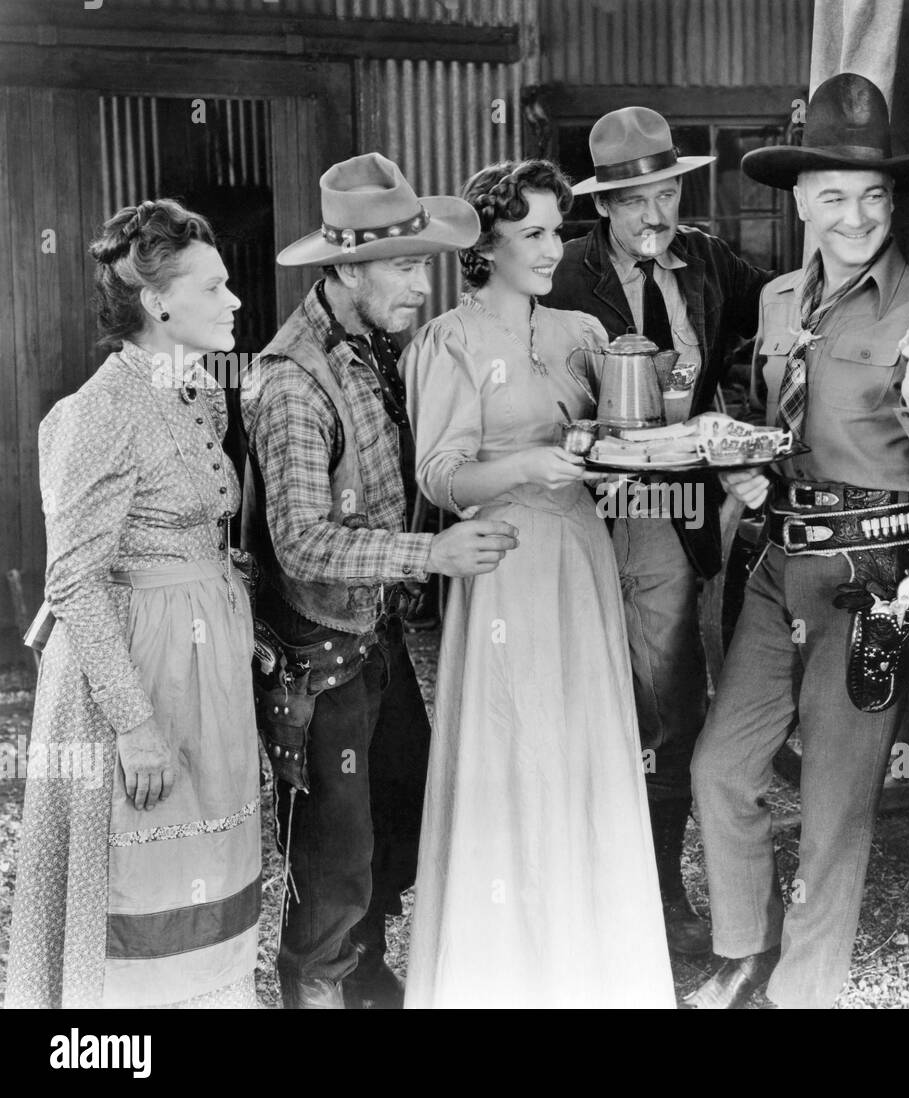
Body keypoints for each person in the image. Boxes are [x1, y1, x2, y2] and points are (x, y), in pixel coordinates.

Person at [687, 74, 909, 1009]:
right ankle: (745, 947)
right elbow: (776, 423)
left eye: (872, 196)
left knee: (832, 807)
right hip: (783, 561)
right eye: (833, 197)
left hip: (883, 575)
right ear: (802, 200)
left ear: (891, 200)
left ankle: (803, 993)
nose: (855, 216)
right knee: (718, 768)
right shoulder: (780, 301)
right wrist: (748, 469)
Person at [241, 153, 519, 1010]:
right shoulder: (294, 382)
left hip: (375, 639)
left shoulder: (373, 347)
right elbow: (302, 545)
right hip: (318, 657)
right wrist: (430, 556)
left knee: (399, 822)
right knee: (332, 861)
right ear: (347, 268)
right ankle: (323, 985)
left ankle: (364, 972)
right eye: (404, 266)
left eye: (423, 264)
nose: (421, 287)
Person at [401, 159, 675, 1008]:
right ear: (484, 247)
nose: (556, 247)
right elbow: (440, 477)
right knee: (515, 750)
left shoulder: (580, 335)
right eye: (534, 233)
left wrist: (624, 452)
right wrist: (532, 463)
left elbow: (623, 444)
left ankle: (591, 967)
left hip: (581, 557)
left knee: (585, 750)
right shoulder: (447, 340)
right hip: (505, 564)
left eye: (559, 228)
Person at [7, 199, 260, 1007]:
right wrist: (135, 725)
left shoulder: (198, 396)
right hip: (133, 675)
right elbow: (74, 580)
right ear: (157, 303)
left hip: (201, 665)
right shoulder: (96, 413)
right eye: (214, 287)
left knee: (203, 871)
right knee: (133, 873)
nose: (235, 302)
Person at [542, 107, 769, 954]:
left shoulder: (708, 261)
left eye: (667, 193)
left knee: (672, 698)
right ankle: (582, 890)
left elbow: (775, 308)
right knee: (582, 697)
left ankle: (660, 887)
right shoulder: (560, 272)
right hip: (578, 510)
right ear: (603, 204)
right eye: (635, 201)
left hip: (672, 516)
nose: (655, 215)